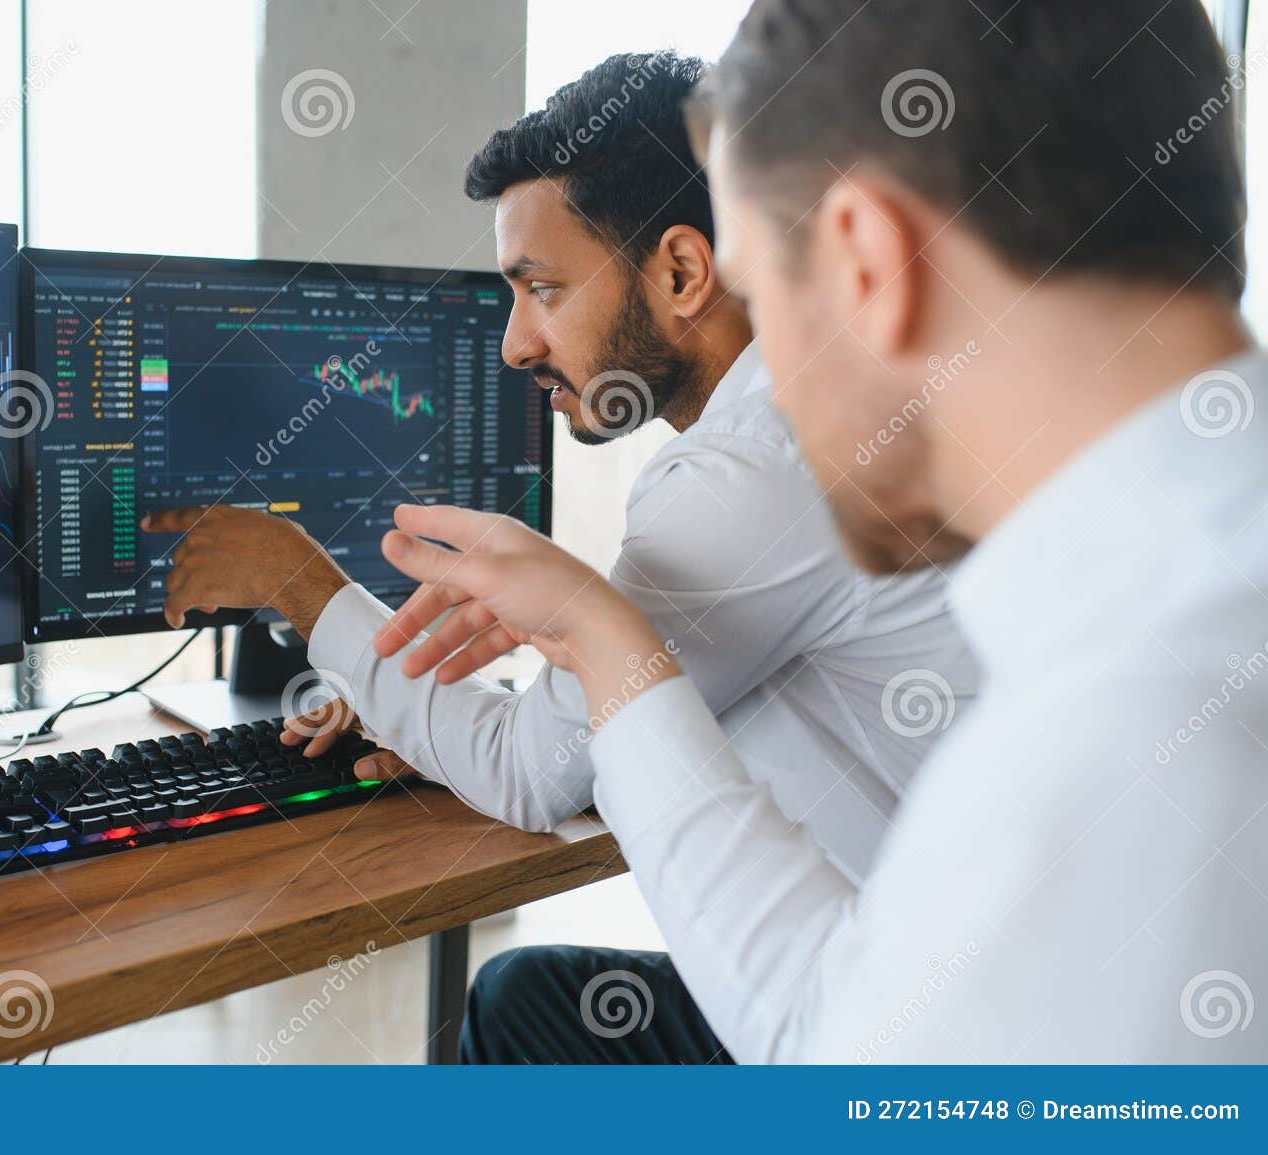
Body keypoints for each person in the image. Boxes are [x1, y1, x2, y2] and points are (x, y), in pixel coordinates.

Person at [372, 0, 1268, 1062]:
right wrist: (602, 639)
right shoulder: (1164, 598)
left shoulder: (1116, 723)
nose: (768, 379)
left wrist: (611, 653)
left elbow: (837, 1063)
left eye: (758, 288)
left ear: (867, 262)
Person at [143, 51, 977, 1060]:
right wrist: (436, 716)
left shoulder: (742, 478)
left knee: (527, 1005)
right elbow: (592, 740)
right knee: (526, 995)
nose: (514, 344)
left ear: (680, 271)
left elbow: (532, 773)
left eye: (541, 288)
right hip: (938, 975)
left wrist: (298, 583)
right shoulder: (833, 411)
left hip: (900, 1038)